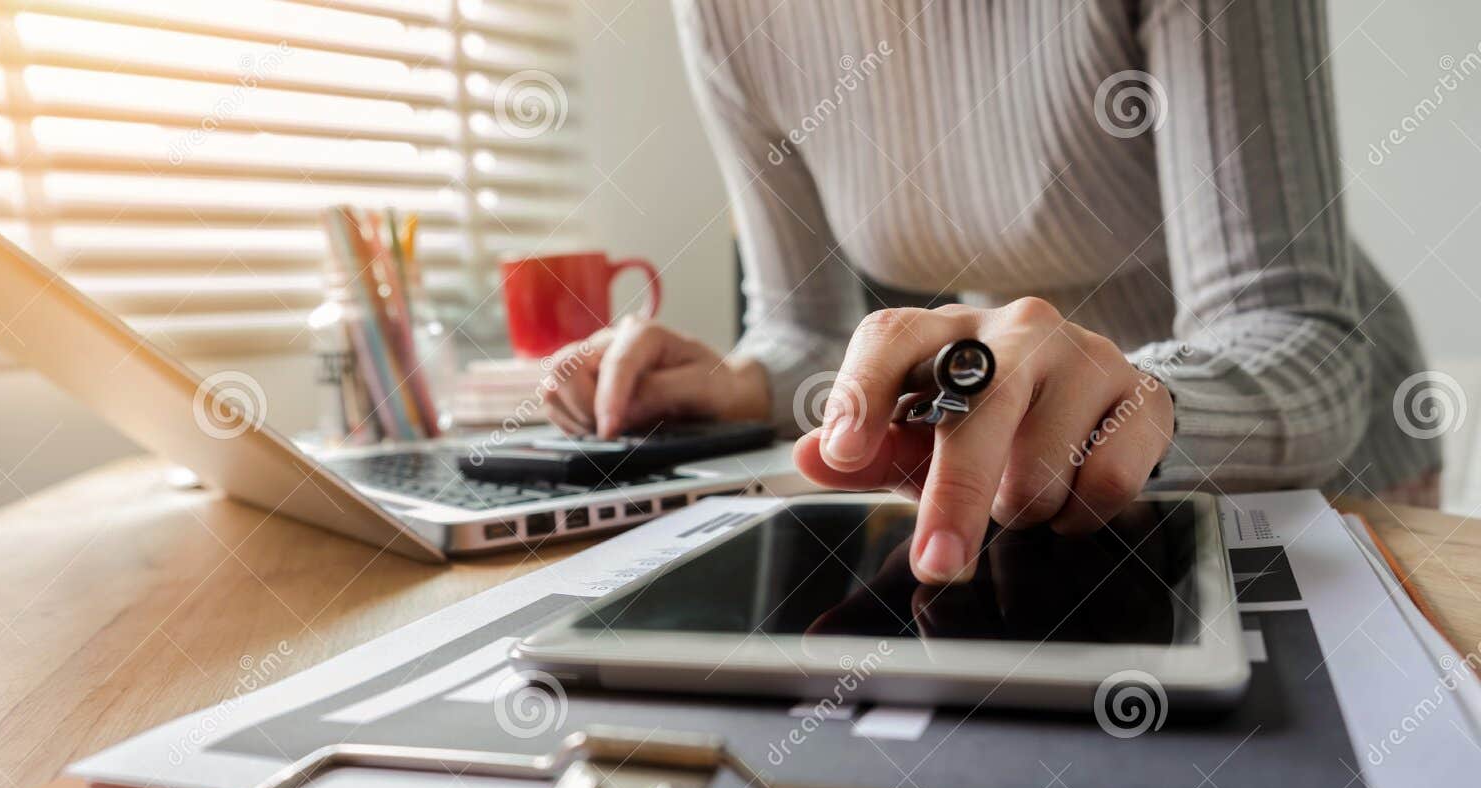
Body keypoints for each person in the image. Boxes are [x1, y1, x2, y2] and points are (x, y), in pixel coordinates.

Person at [539, 0, 1438, 583]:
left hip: (1304, 435)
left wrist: (1144, 404)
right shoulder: (722, 16)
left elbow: (1290, 326)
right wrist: (743, 383)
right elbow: (805, 327)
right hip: (1024, 450)